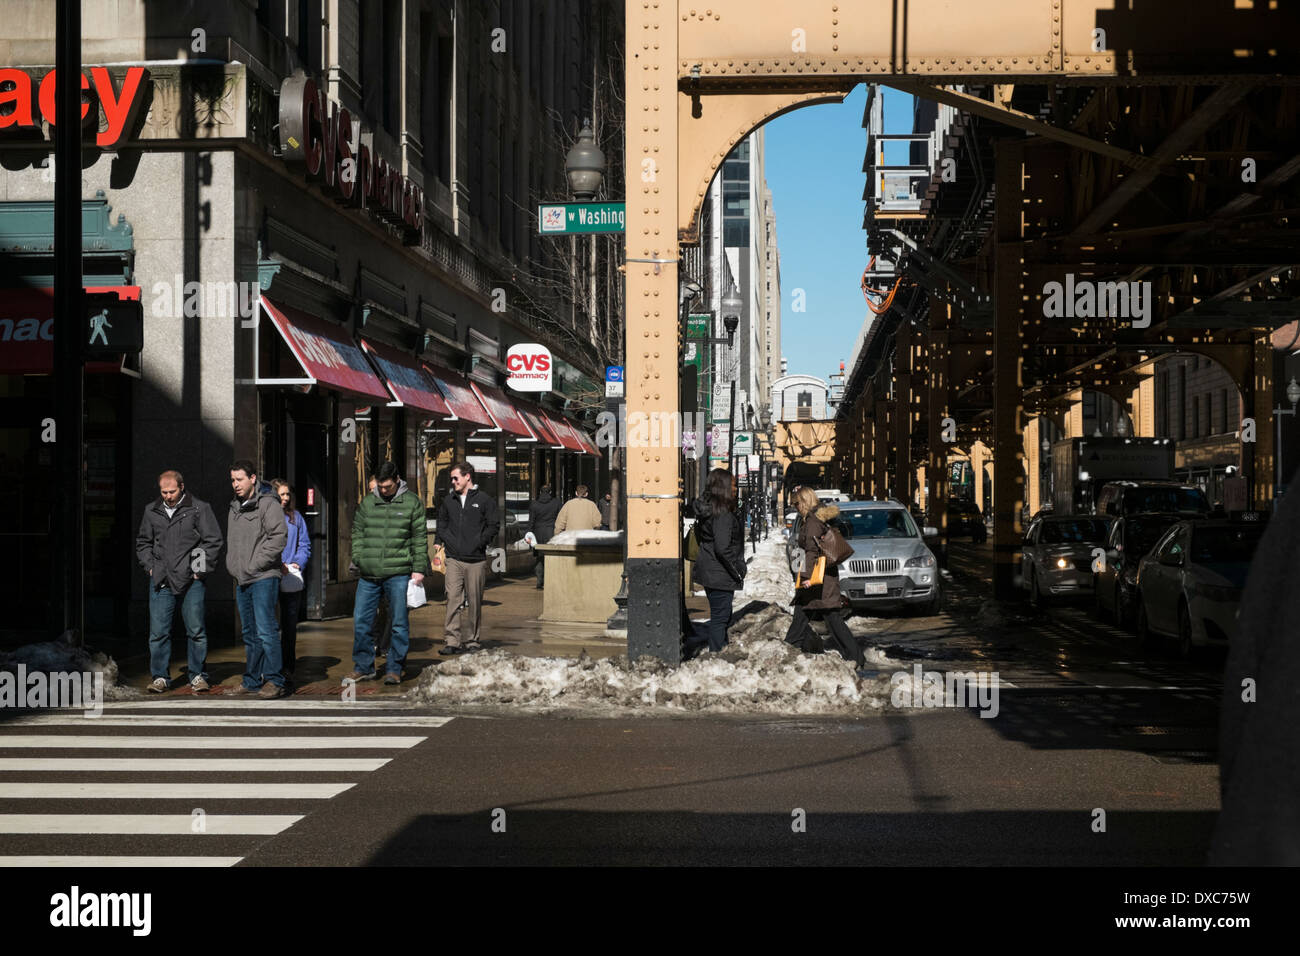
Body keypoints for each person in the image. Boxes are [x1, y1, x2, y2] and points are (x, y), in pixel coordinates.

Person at [135, 469, 224, 693]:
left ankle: (198, 675)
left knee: (195, 630)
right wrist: (150, 567)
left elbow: (212, 540)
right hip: (161, 578)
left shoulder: (199, 508)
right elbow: (143, 542)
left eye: (172, 491)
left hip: (191, 580)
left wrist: (198, 571)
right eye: (164, 492)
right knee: (158, 632)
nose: (168, 496)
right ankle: (160, 677)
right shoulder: (151, 510)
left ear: (182, 487)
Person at [349, 460, 430, 685]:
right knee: (361, 621)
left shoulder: (412, 502)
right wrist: (359, 558)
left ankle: (394, 667)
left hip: (399, 573)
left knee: (398, 622)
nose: (383, 491)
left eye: (387, 487)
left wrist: (418, 568)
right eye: (380, 487)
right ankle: (364, 666)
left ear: (397, 480)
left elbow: (419, 537)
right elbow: (357, 531)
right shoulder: (368, 503)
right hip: (369, 573)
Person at [226, 459, 289, 698]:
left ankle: (275, 679)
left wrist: (255, 564)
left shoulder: (268, 504)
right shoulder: (234, 506)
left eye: (239, 479)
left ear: (252, 478)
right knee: (250, 633)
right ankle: (252, 679)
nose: (235, 484)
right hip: (242, 578)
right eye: (232, 480)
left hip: (263, 576)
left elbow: (278, 537)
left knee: (266, 630)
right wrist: (233, 565)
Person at [784, 486, 864, 668]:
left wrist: (806, 577)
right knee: (805, 613)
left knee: (831, 617)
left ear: (804, 502)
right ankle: (790, 646)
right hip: (822, 576)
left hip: (817, 579)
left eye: (796, 504)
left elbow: (811, 551)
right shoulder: (818, 519)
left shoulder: (812, 522)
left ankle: (856, 657)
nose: (795, 507)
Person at [435, 461, 499, 655]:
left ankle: (472, 640)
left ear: (467, 477)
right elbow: (442, 522)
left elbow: (493, 525)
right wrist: (440, 540)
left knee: (475, 601)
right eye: (452, 478)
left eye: (456, 477)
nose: (453, 481)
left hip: (476, 559)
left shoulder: (485, 500)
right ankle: (452, 641)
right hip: (453, 558)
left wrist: (480, 542)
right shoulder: (449, 500)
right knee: (452, 599)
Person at [684, 468, 746, 656]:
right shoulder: (723, 515)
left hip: (710, 569)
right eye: (733, 485)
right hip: (720, 572)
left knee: (720, 616)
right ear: (724, 487)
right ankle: (717, 655)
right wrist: (737, 570)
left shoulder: (709, 510)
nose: (736, 489)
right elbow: (722, 547)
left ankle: (719, 651)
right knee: (721, 618)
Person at [271, 479, 311, 685]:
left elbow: (304, 544)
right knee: (268, 624)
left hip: (290, 576)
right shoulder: (266, 516)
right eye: (282, 494)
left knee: (288, 624)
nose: (286, 498)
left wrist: (297, 562)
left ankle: (288, 667)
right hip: (269, 575)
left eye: (288, 495)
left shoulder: (296, 518)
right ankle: (270, 667)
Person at [527, 484, 561, 588]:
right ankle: (550, 580)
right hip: (551, 532)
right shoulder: (556, 503)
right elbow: (560, 518)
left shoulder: (534, 504)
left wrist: (529, 533)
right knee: (551, 557)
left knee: (539, 557)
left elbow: (531, 521)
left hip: (538, 533)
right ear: (550, 492)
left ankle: (539, 581)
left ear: (540, 492)